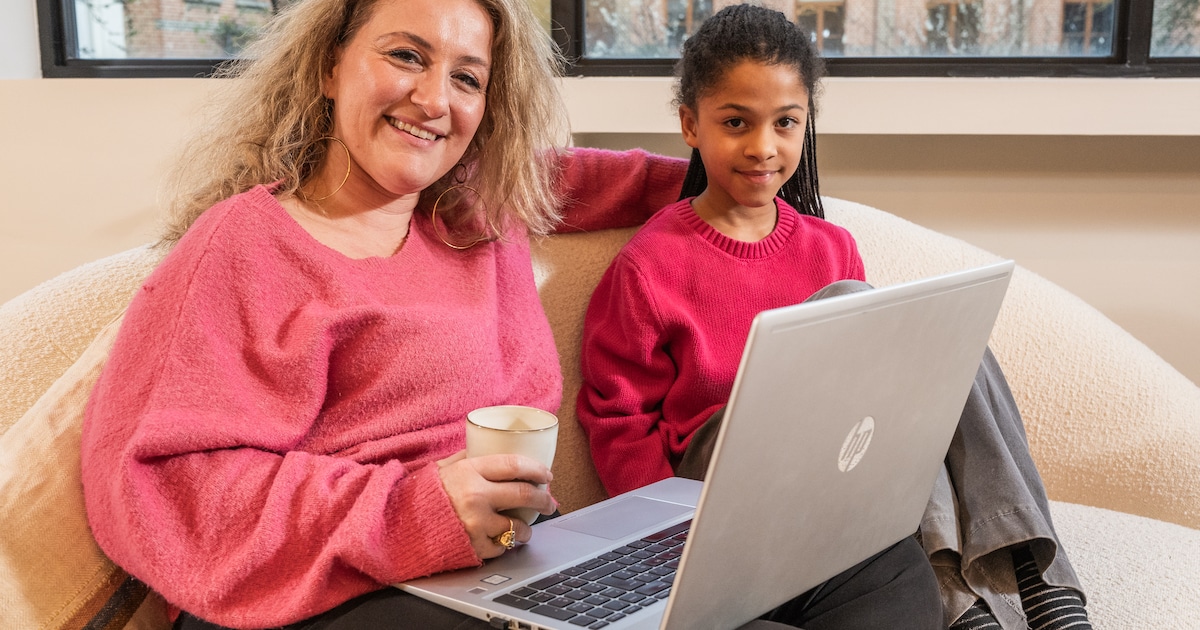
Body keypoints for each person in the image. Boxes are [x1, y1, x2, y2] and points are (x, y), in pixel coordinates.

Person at [78, 0, 687, 627]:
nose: (433, 100)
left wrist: (741, 175)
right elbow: (163, 489)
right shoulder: (243, 245)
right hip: (320, 595)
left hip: (502, 563)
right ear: (328, 66)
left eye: (467, 78)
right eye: (406, 55)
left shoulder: (476, 209)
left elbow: (594, 178)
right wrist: (411, 512)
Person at [576, 5, 1093, 630]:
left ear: (805, 126)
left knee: (946, 350)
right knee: (859, 303)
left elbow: (874, 413)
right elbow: (617, 420)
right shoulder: (648, 266)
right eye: (735, 122)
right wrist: (677, 546)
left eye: (785, 123)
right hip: (723, 482)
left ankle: (1030, 588)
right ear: (690, 124)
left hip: (827, 472)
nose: (762, 147)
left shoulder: (828, 243)